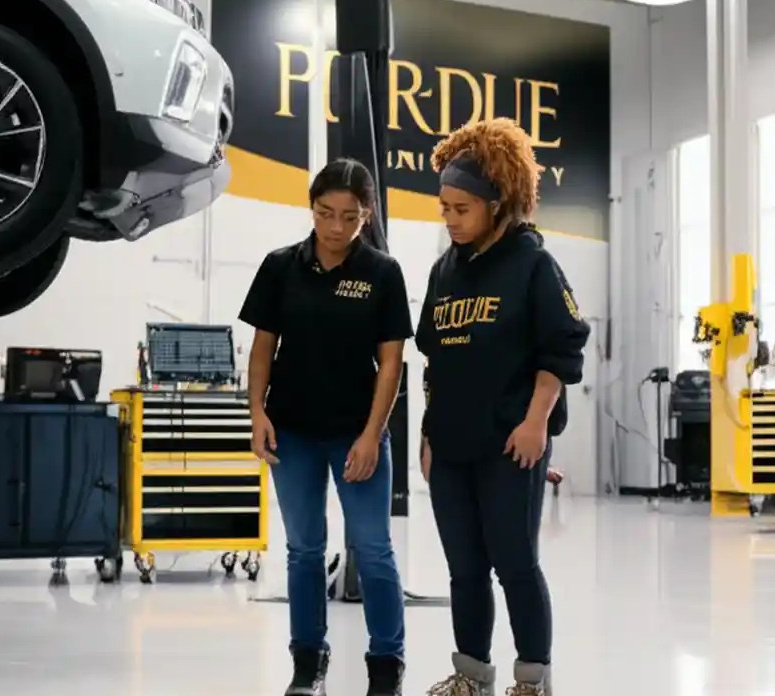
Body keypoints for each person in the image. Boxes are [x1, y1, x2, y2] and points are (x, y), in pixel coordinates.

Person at [416, 118, 590, 696]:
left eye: (461, 209)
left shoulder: (532, 265)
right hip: (452, 446)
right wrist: (427, 432)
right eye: (444, 208)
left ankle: (532, 681)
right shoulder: (444, 271)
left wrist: (537, 422)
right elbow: (434, 361)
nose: (450, 219)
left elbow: (561, 350)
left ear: (496, 204)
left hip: (511, 443)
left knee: (514, 563)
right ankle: (471, 677)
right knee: (464, 570)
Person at [240, 158, 412, 696]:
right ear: (310, 208)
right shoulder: (279, 266)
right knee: (304, 550)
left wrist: (370, 435)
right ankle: (307, 662)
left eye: (350, 217)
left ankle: (386, 666)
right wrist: (257, 413)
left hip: (355, 434)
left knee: (375, 549)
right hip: (291, 432)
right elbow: (263, 348)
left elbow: (392, 363)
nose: (336, 228)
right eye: (325, 214)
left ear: (367, 215)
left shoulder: (383, 273)